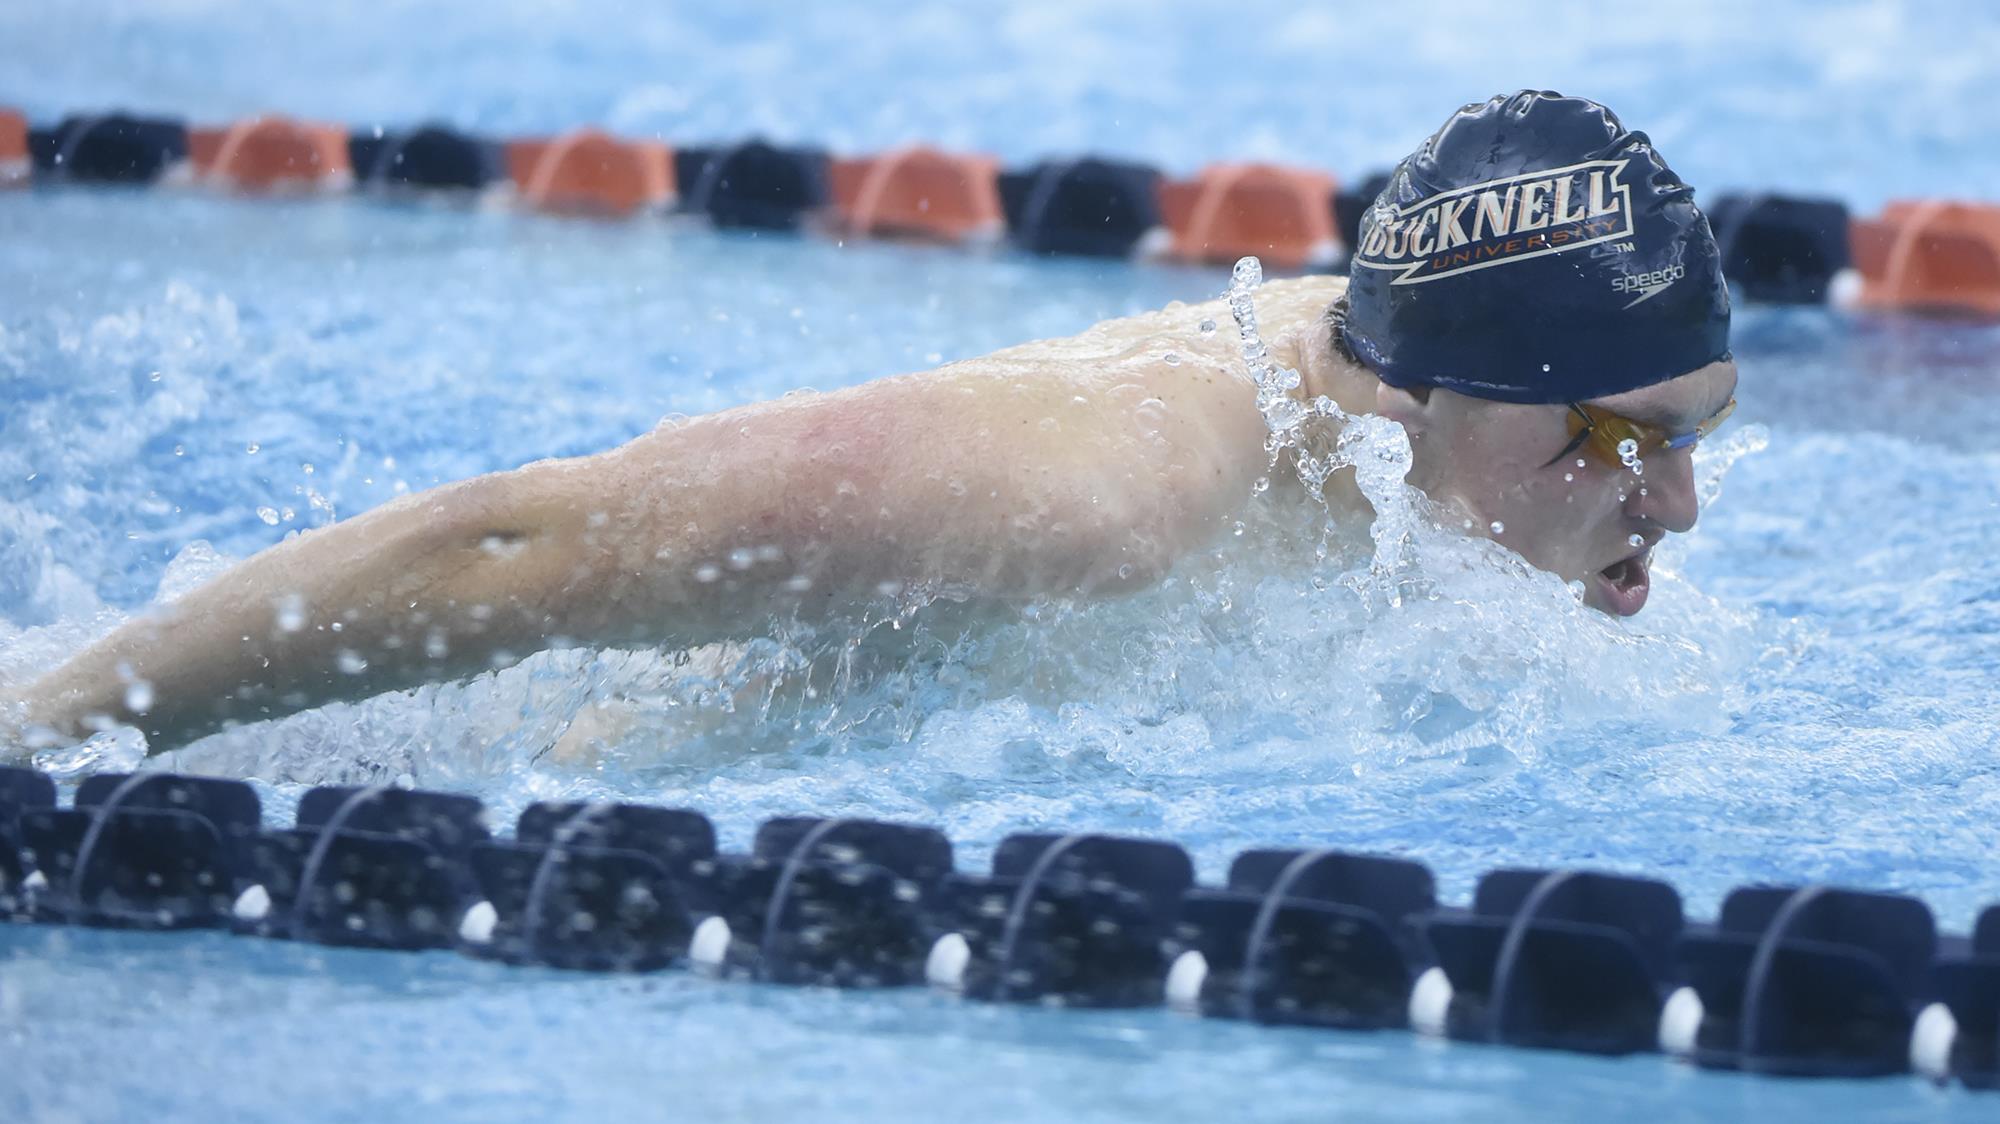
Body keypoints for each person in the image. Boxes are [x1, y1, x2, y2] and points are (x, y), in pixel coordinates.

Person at [0, 90, 1738, 762]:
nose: (1668, 501)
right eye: (1610, 434)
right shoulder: (1101, 496)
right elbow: (528, 543)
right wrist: (55, 723)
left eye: (1694, 430)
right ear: (1432, 397)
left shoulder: (1423, 439)